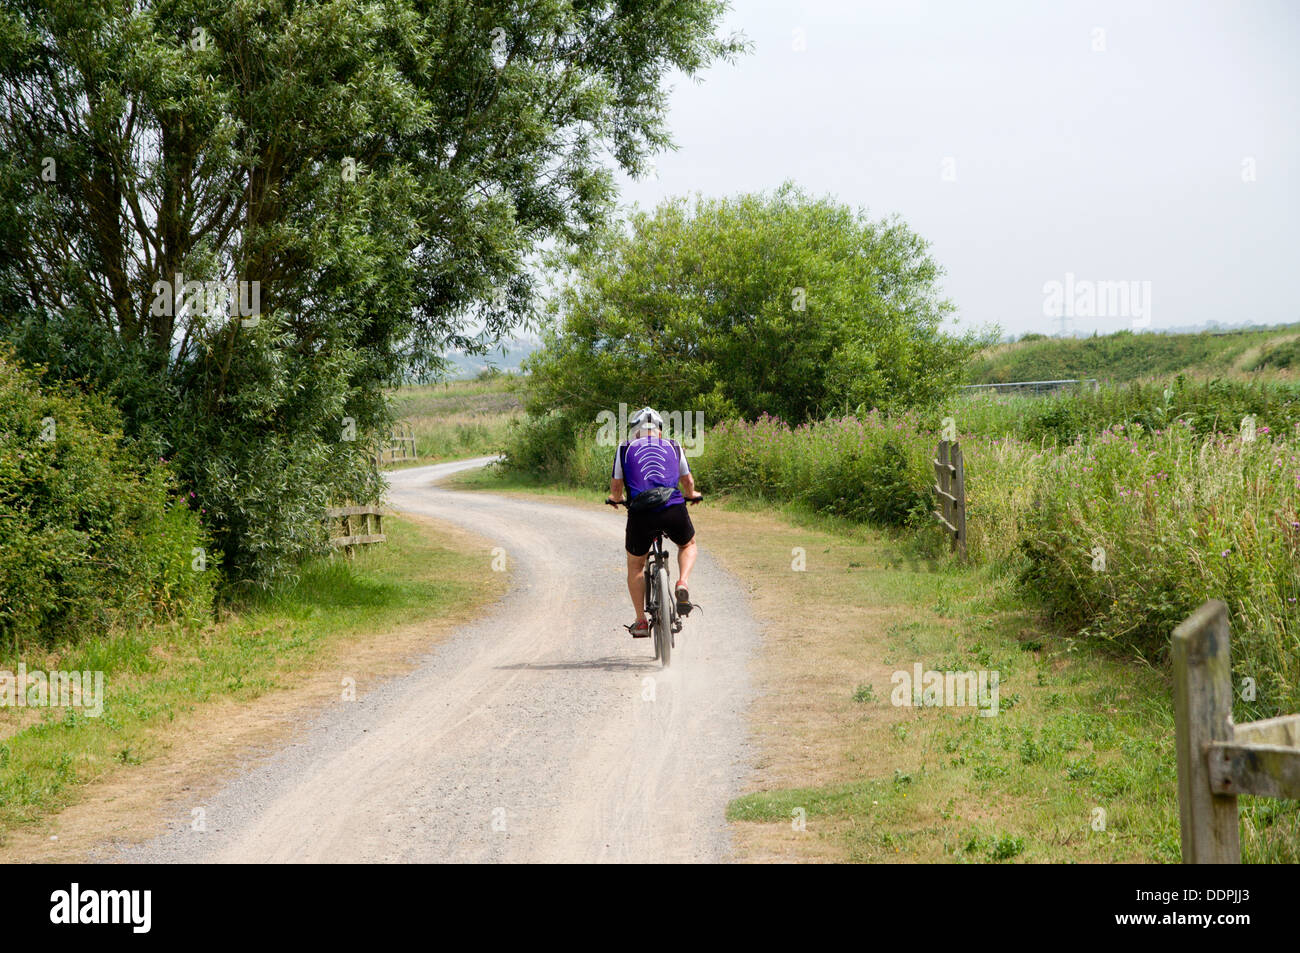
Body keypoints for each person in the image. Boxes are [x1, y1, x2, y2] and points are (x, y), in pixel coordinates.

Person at [606, 407, 702, 637]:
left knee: (636, 565)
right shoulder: (674, 445)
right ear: (659, 429)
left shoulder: (624, 448)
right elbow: (687, 481)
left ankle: (640, 621)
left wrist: (615, 499)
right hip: (672, 508)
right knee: (688, 544)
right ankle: (682, 583)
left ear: (635, 431)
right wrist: (692, 494)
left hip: (641, 513)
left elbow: (617, 487)